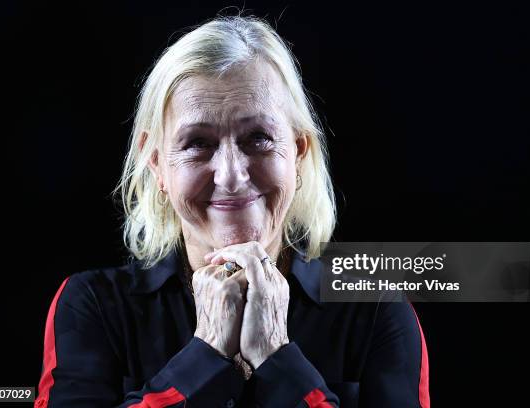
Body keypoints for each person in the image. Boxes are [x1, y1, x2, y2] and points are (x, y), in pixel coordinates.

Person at [34, 15, 430, 408]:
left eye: (258, 138)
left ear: (298, 152)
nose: (231, 175)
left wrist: (278, 358)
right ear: (158, 165)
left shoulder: (378, 310)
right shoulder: (92, 306)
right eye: (197, 143)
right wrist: (203, 354)